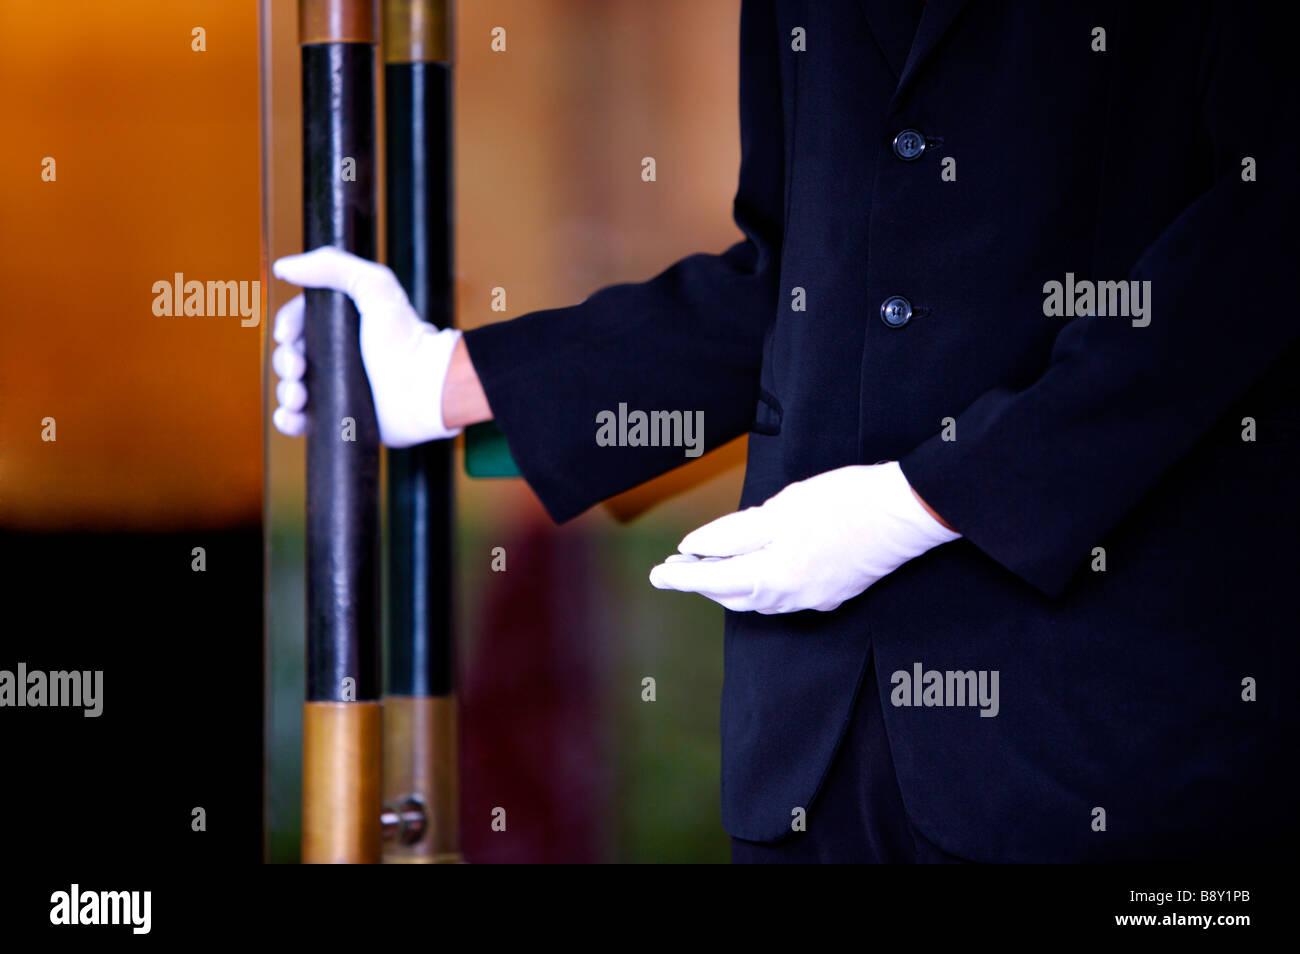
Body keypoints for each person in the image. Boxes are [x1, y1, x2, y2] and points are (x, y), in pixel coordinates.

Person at [271, 0, 1297, 862]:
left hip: (1112, 742)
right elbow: (795, 278)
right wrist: (437, 377)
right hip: (812, 746)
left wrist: (930, 500)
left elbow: (1255, 253)